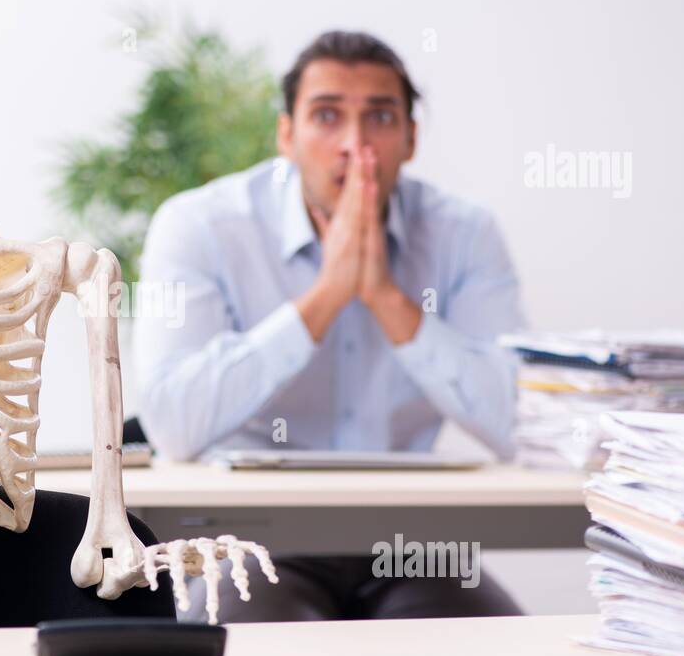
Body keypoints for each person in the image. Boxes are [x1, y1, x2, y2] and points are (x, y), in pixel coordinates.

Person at [134, 31, 525, 622]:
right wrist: (324, 298)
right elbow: (172, 423)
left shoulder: (464, 233)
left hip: (412, 546)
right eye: (326, 116)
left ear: (411, 139)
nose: (355, 144)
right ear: (286, 134)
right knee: (229, 653)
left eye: (381, 117)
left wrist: (385, 298)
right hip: (254, 539)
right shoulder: (200, 225)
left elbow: (519, 422)